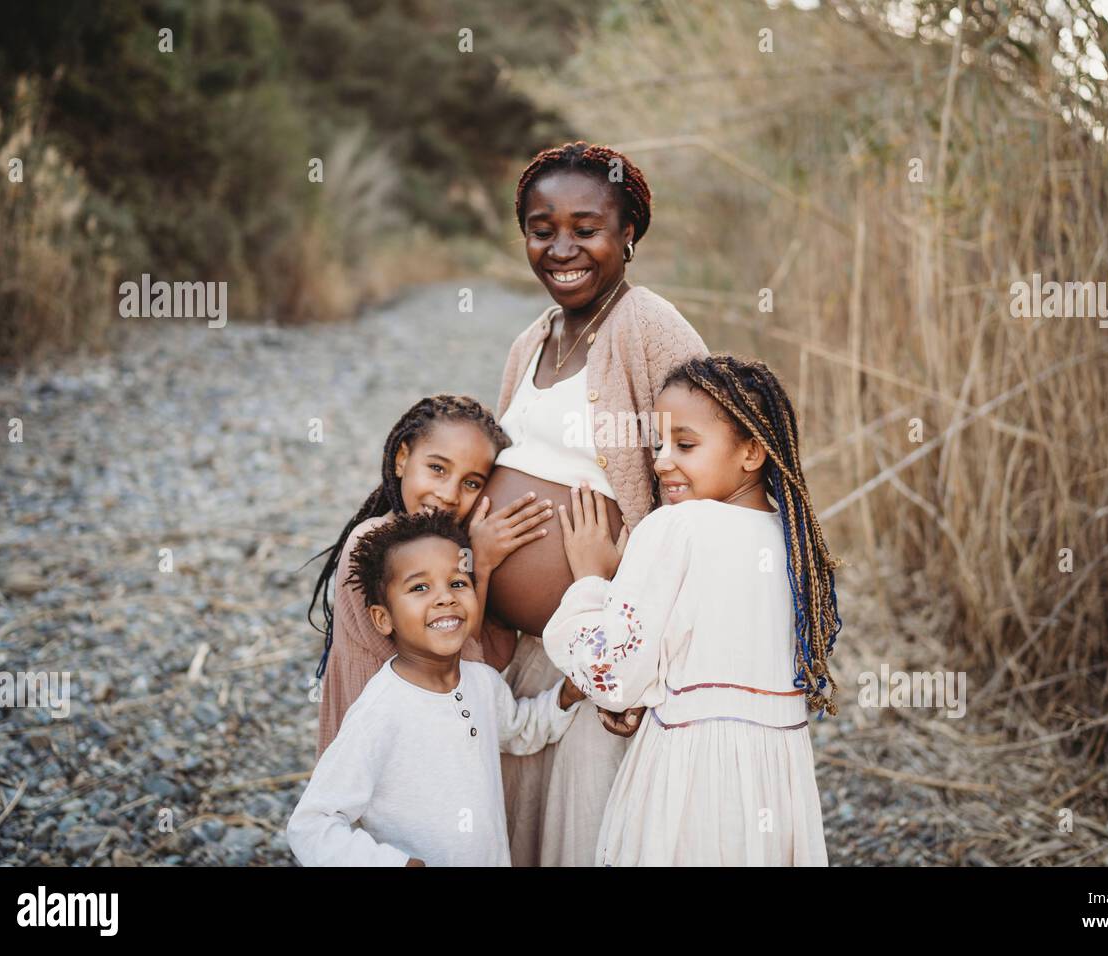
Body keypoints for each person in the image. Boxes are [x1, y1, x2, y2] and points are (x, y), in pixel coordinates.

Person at [479, 141, 710, 865]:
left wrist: (636, 610)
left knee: (587, 832)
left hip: (607, 653)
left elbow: (714, 467)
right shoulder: (530, 341)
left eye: (587, 227)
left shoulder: (649, 327)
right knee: (521, 826)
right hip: (526, 657)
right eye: (542, 228)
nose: (562, 247)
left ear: (629, 235)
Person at [542, 354, 842, 865]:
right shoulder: (797, 548)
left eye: (685, 444)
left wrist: (592, 581)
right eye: (659, 443)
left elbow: (612, 673)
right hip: (775, 790)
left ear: (751, 451)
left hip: (687, 786)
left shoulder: (676, 527)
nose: (660, 460)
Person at [288, 511, 584, 866]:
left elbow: (519, 730)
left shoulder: (482, 681)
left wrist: (565, 697)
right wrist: (393, 864)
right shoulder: (382, 709)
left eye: (458, 583)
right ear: (384, 618)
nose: (445, 598)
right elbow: (311, 825)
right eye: (420, 587)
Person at [308, 394, 551, 759]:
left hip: (427, 748)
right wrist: (479, 564)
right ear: (403, 458)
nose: (448, 494)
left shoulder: (448, 552)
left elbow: (497, 656)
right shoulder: (372, 544)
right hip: (383, 757)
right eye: (437, 468)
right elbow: (460, 667)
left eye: (471, 483)